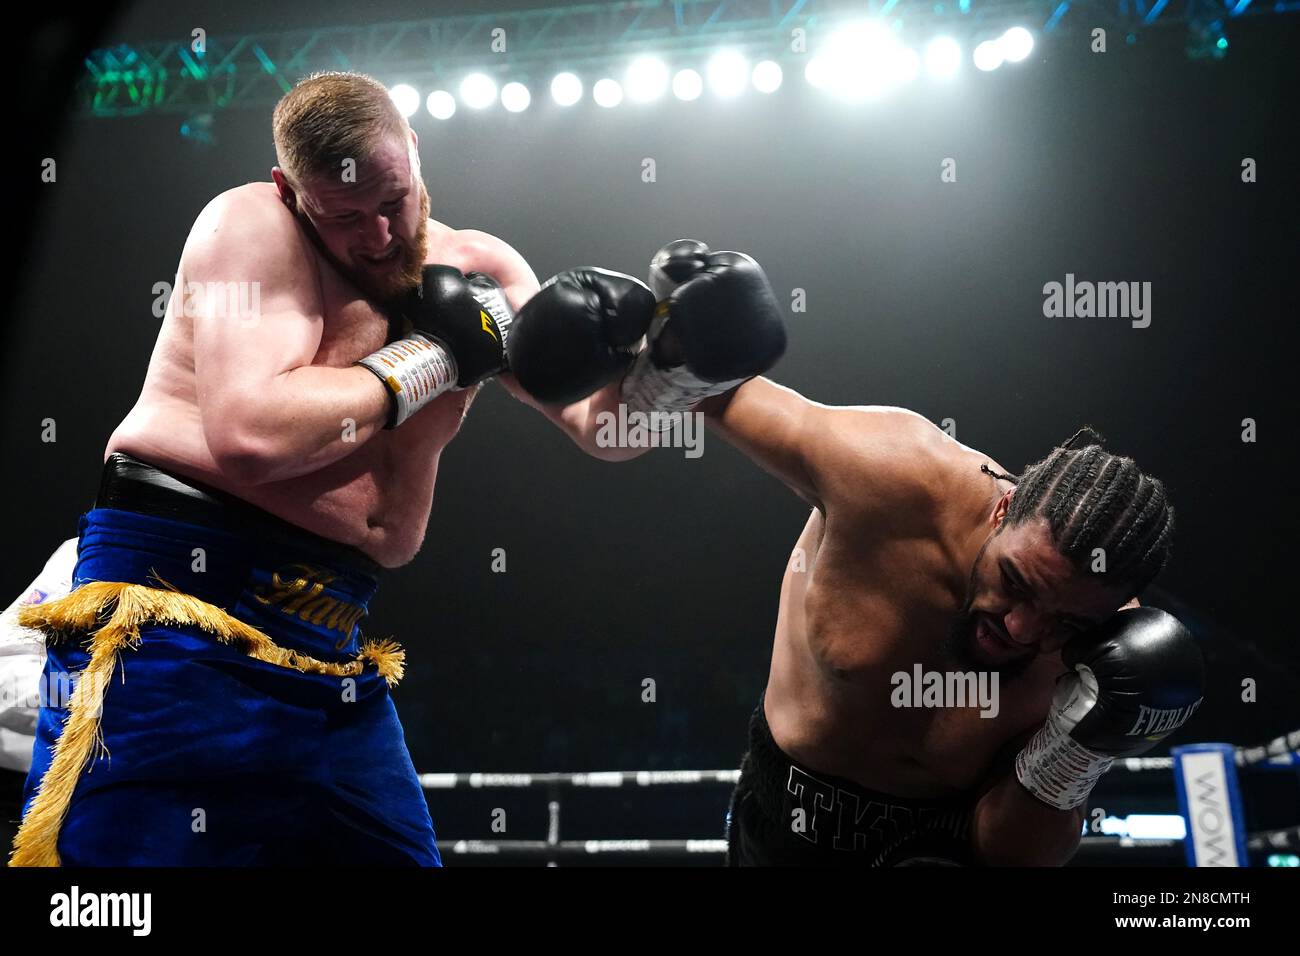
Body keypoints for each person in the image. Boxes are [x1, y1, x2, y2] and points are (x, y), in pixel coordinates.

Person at [508, 238, 1206, 866]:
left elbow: (1017, 854)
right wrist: (675, 342)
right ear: (1003, 508)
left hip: (947, 848)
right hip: (783, 816)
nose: (1024, 629)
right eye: (1017, 583)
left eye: (1065, 626)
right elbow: (707, 388)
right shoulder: (890, 475)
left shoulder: (1115, 649)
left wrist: (1073, 755)